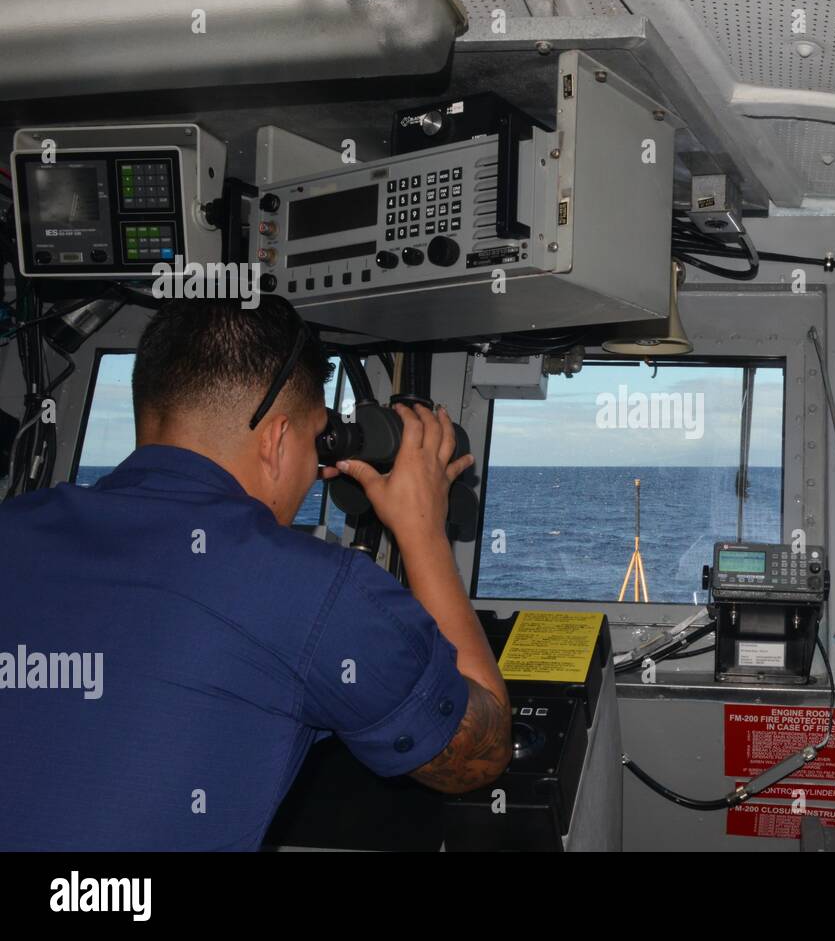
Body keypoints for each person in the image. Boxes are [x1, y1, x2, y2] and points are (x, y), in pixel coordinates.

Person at [0, 294, 511, 850]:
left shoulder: (15, 525)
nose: (318, 473)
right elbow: (477, 756)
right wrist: (422, 531)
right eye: (317, 441)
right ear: (276, 439)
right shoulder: (308, 588)